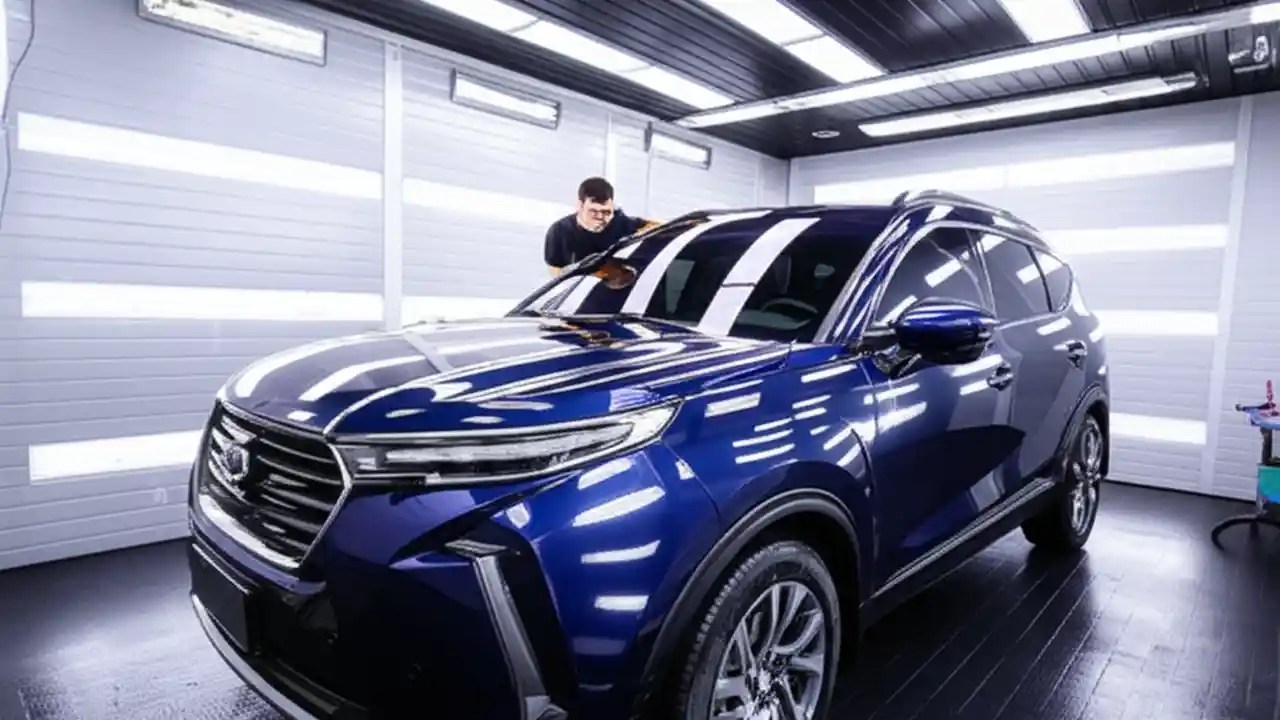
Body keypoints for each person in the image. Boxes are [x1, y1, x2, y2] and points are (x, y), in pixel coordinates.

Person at [544, 177, 656, 276]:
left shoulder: (619, 221)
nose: (600, 217)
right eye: (593, 211)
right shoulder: (559, 231)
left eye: (606, 212)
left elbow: (653, 227)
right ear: (579, 206)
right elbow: (554, 270)